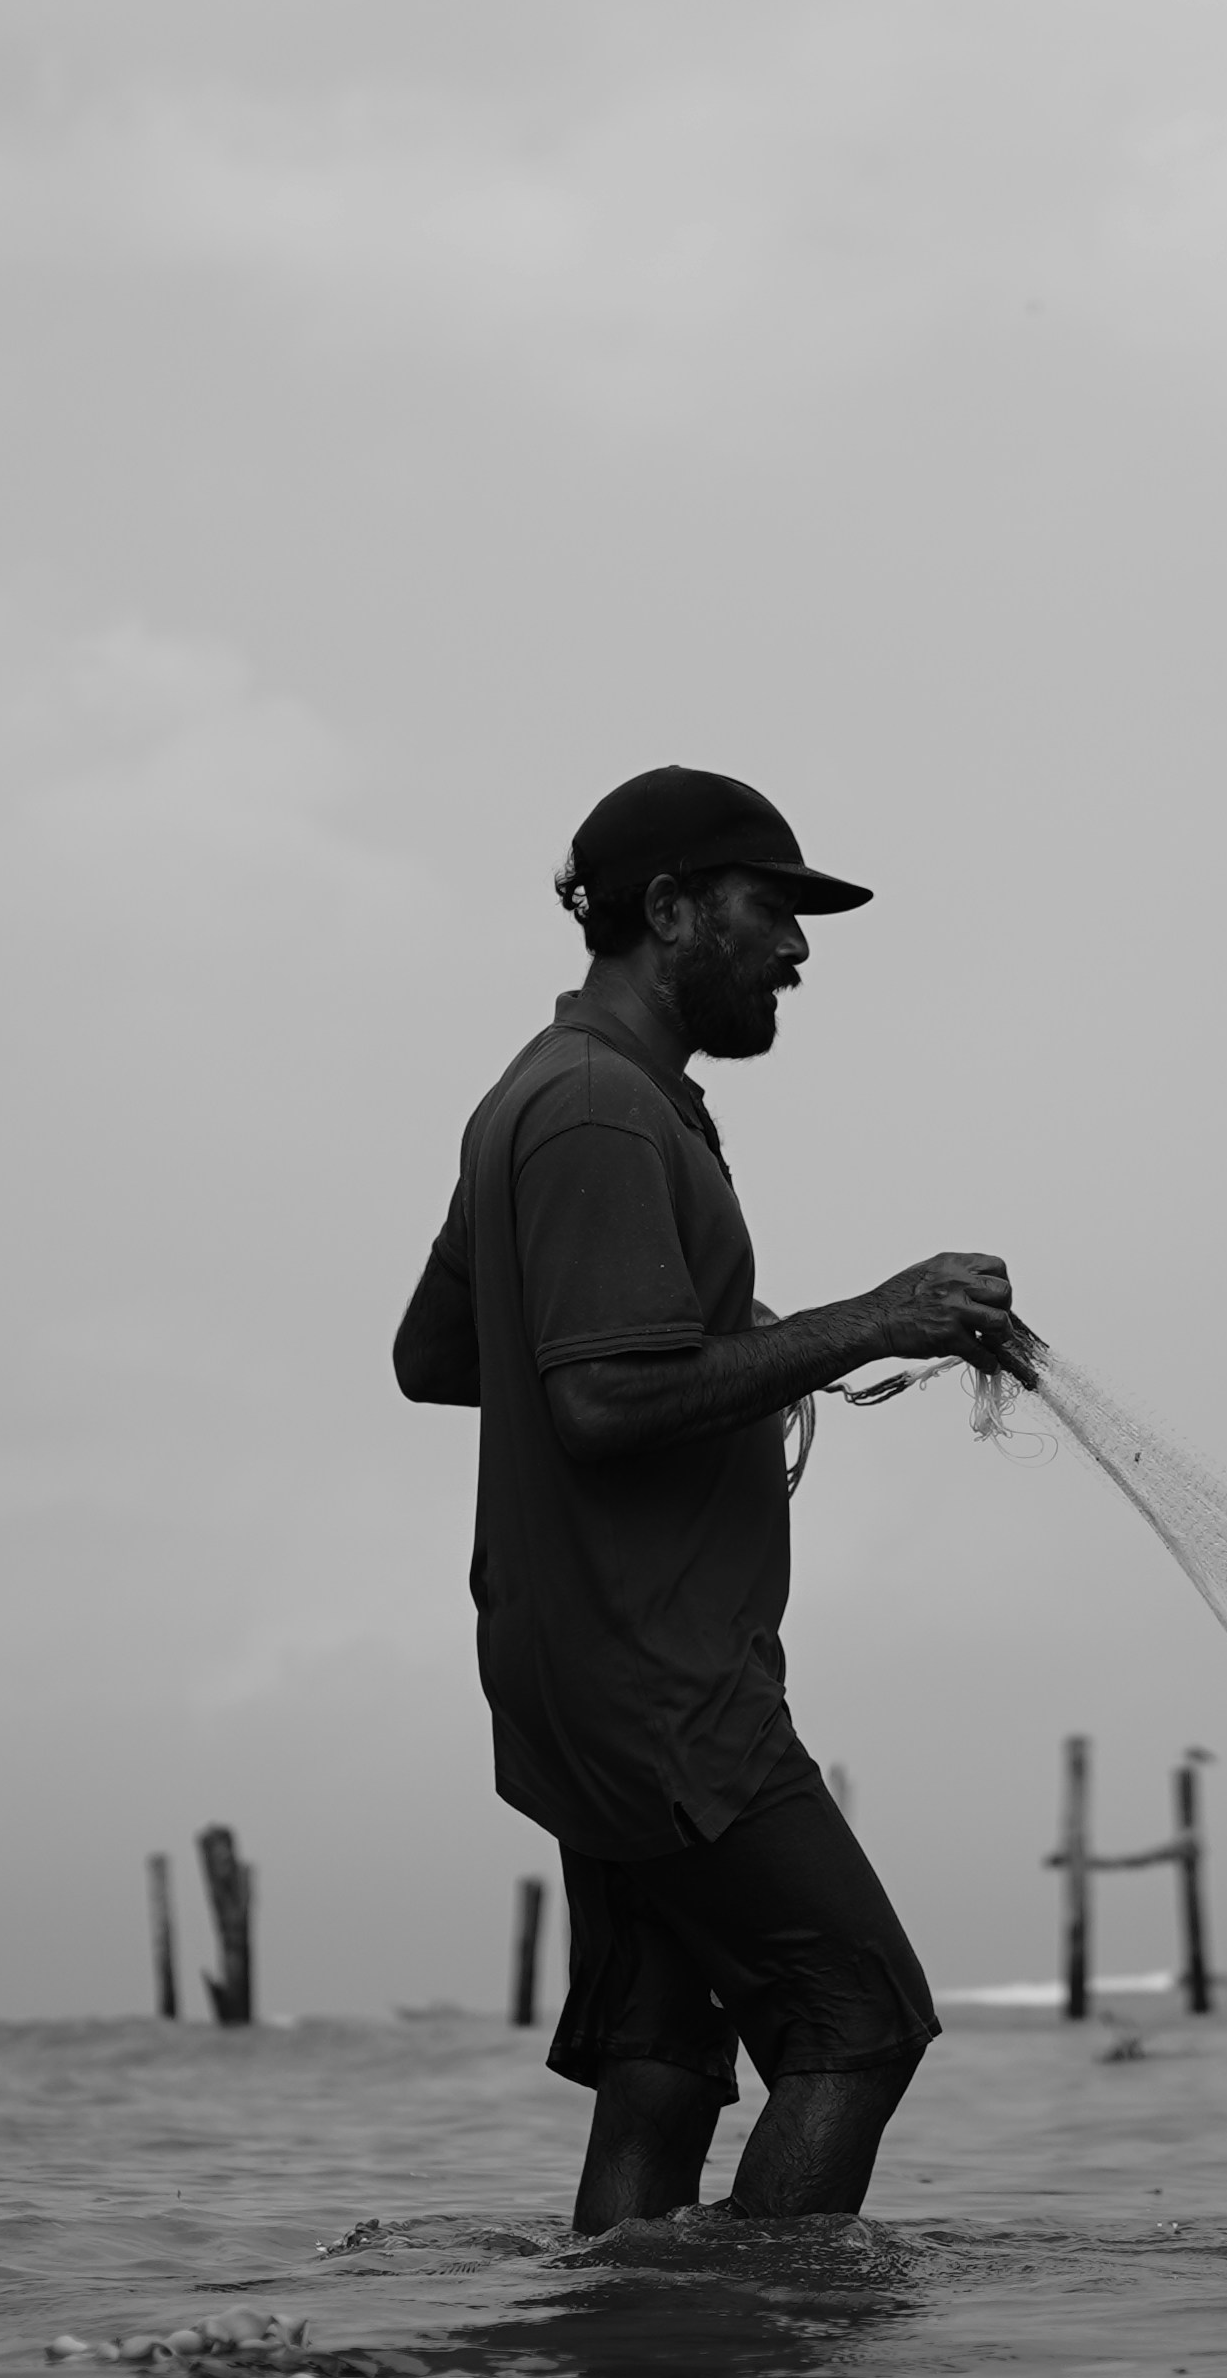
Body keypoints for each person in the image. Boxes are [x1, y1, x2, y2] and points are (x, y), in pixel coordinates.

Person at [394, 766, 1025, 2232]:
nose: (799, 949)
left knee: (664, 2064)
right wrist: (865, 1323)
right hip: (663, 1688)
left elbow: (443, 1353)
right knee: (856, 2025)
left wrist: (717, 1354)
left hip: (580, 1679)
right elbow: (601, 1399)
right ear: (667, 911)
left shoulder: (541, 1099)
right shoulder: (603, 1115)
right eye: (773, 910)